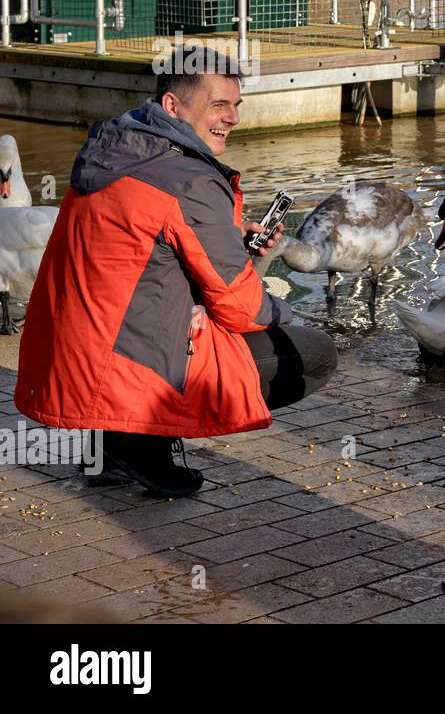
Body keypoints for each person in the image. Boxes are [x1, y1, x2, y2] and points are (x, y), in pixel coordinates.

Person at [16, 51, 338, 497]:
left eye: (236, 105)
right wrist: (284, 311)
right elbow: (241, 307)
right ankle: (142, 440)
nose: (233, 118)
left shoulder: (114, 152)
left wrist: (224, 235)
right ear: (172, 107)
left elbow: (138, 248)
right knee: (313, 351)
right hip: (131, 366)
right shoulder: (188, 179)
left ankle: (108, 445)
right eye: (219, 105)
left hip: (71, 360)